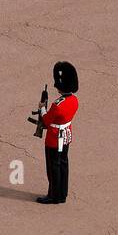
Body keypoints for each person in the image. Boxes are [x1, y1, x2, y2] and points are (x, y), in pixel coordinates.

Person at [34, 61, 79, 204]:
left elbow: (47, 121)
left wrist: (42, 108)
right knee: (63, 164)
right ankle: (62, 194)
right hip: (66, 136)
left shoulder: (57, 105)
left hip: (54, 138)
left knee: (53, 168)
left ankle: (53, 195)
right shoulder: (74, 100)